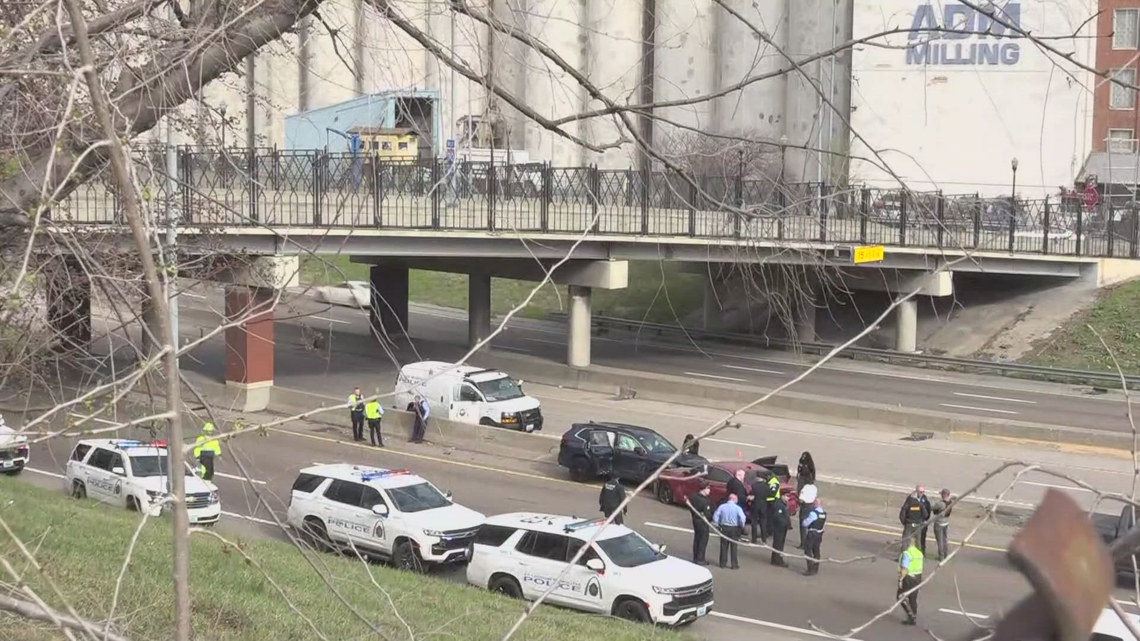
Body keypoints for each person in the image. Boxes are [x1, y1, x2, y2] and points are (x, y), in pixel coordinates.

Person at [712, 492, 746, 569]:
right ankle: (734, 565)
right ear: (734, 499)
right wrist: (741, 525)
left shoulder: (722, 506)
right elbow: (742, 518)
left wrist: (717, 524)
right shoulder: (738, 508)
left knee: (723, 546)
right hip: (734, 528)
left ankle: (722, 563)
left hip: (724, 527)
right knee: (734, 547)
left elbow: (715, 516)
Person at [897, 538, 924, 625]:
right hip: (918, 577)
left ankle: (911, 615)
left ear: (907, 544)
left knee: (900, 596)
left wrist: (901, 579)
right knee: (913, 598)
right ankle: (914, 617)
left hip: (909, 578)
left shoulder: (907, 553)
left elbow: (905, 568)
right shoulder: (919, 553)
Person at [686, 481, 713, 565]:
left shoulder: (693, 497)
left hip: (695, 520)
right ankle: (700, 559)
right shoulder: (705, 501)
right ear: (704, 489)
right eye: (708, 489)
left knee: (697, 539)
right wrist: (710, 518)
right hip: (703, 522)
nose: (709, 491)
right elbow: (708, 514)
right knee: (703, 540)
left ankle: (695, 556)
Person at [801, 497, 827, 576]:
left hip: (812, 533)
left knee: (807, 550)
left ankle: (810, 568)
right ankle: (816, 567)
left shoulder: (813, 513)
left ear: (816, 503)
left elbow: (805, 523)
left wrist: (804, 520)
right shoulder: (823, 514)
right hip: (819, 534)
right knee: (816, 551)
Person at [931, 488, 954, 561]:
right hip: (946, 522)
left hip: (939, 523)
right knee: (945, 539)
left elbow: (932, 508)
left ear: (943, 495)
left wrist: (933, 501)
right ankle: (945, 554)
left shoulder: (940, 503)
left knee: (940, 540)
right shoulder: (950, 502)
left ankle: (941, 556)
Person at [769, 494, 791, 567]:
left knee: (780, 543)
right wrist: (785, 523)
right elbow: (778, 517)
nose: (788, 498)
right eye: (787, 496)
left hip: (782, 527)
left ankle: (776, 558)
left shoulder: (783, 504)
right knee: (778, 544)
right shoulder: (778, 505)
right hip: (779, 527)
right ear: (782, 496)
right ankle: (777, 560)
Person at [748, 474, 769, 543]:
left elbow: (751, 494)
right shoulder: (767, 486)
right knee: (763, 522)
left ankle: (754, 539)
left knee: (754, 522)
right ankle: (764, 539)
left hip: (755, 505)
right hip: (764, 506)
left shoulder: (754, 486)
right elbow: (769, 495)